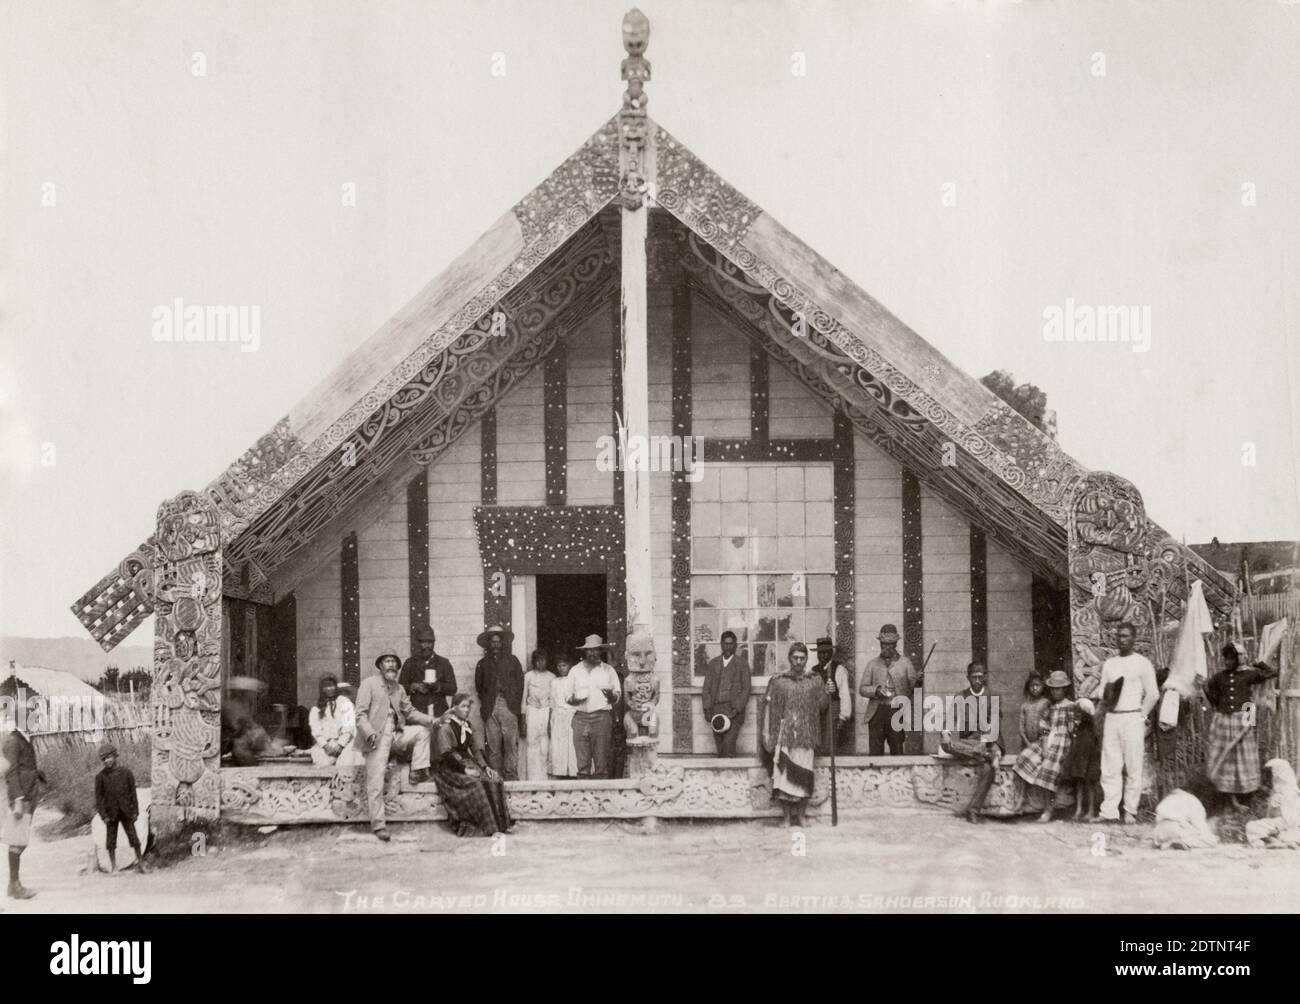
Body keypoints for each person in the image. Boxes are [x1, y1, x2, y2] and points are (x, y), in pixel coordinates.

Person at [354, 651, 435, 841]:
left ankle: (418, 770)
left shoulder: (399, 689)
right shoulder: (369, 684)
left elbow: (411, 712)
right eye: (387, 661)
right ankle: (378, 825)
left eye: (394, 662)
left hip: (396, 734)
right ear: (380, 666)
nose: (391, 665)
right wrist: (369, 733)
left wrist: (433, 720)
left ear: (397, 668)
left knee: (423, 732)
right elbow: (360, 715)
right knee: (376, 781)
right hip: (376, 738)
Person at [759, 642, 829, 827]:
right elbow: (768, 707)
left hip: (806, 735)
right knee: (783, 778)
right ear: (789, 658)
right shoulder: (779, 681)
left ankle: (801, 816)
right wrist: (768, 735)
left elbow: (823, 707)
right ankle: (787, 818)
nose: (798, 662)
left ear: (806, 659)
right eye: (795, 658)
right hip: (785, 735)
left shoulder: (815, 680)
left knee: (804, 777)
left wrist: (827, 694)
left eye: (802, 658)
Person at [1096, 622, 1159, 823]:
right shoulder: (1110, 664)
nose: (1121, 640)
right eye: (1119, 636)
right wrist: (1105, 697)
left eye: (1125, 636)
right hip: (1112, 717)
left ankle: (1130, 810)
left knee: (1133, 765)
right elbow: (1102, 691)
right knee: (1110, 765)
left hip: (1133, 717)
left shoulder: (1142, 663)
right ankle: (1109, 811)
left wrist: (1142, 716)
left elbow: (1153, 694)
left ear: (1134, 638)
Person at [1205, 642, 1278, 809]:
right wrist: (1216, 704)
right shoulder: (1219, 677)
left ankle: (1245, 795)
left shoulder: (1249, 675)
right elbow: (1206, 686)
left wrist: (1259, 663)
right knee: (1226, 760)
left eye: (1231, 659)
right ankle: (1229, 800)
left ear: (1237, 660)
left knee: (1243, 758)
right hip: (1223, 721)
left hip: (1241, 720)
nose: (1227, 662)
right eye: (1225, 659)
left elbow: (1273, 673)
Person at [431, 693, 513, 837]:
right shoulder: (446, 727)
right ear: (454, 708)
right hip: (449, 768)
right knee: (476, 784)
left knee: (494, 779)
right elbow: (446, 755)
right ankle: (485, 827)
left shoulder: (467, 725)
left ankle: (500, 824)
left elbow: (476, 749)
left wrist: (486, 767)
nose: (466, 710)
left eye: (468, 706)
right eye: (463, 706)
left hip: (466, 762)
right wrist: (465, 771)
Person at [1011, 669, 1077, 822]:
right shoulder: (1051, 707)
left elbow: (1073, 731)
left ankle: (1048, 809)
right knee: (1025, 757)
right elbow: (1045, 730)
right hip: (1048, 741)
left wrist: (1069, 751)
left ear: (1065, 689)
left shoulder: (1071, 706)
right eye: (1053, 688)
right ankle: (1024, 800)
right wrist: (1045, 746)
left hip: (1062, 743)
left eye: (1059, 688)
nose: (1055, 692)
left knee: (1048, 768)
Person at [858, 624, 922, 755]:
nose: (886, 647)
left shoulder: (905, 663)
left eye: (890, 644)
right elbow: (862, 689)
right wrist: (876, 690)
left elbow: (913, 688)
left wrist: (918, 680)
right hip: (877, 712)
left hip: (896, 711)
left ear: (896, 644)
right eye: (883, 644)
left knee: (897, 748)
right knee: (875, 751)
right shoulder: (872, 664)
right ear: (880, 644)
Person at [473, 625, 524, 781]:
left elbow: (520, 684)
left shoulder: (513, 661)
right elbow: (479, 687)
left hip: (509, 706)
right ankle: (496, 778)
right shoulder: (482, 663)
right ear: (488, 644)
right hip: (490, 707)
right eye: (492, 642)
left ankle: (511, 776)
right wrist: (489, 702)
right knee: (494, 746)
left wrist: (513, 703)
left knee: (510, 743)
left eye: (498, 641)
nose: (495, 644)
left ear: (502, 643)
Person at [0, 713, 43, 899]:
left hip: (29, 794)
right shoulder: (12, 741)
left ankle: (14, 883)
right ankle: (14, 885)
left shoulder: (25, 739)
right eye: (32, 717)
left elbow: (26, 766)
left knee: (22, 838)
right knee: (17, 839)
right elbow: (11, 772)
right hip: (21, 797)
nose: (36, 721)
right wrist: (17, 799)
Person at [568, 635, 621, 779]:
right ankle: (582, 795)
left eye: (595, 650)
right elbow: (567, 696)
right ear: (585, 652)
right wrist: (575, 699)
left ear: (600, 651)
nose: (592, 653)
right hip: (580, 718)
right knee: (582, 764)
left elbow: (616, 696)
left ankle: (601, 797)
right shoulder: (575, 670)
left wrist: (610, 696)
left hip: (602, 717)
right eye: (589, 650)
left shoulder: (608, 670)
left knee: (601, 762)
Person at [94, 742, 147, 873]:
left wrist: (135, 811)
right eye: (104, 759)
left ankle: (141, 864)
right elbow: (99, 799)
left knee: (134, 839)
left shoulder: (126, 773)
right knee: (111, 842)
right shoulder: (100, 777)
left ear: (115, 756)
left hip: (126, 811)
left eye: (109, 757)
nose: (107, 761)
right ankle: (113, 867)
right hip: (111, 814)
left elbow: (133, 794)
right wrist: (104, 815)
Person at [701, 631, 751, 756]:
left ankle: (730, 771)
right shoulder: (713, 664)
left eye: (731, 644)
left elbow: (746, 688)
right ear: (721, 645)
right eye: (725, 644)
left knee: (729, 744)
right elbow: (706, 688)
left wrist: (737, 708)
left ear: (735, 645)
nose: (728, 647)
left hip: (733, 711)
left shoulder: (742, 664)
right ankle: (724, 773)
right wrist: (707, 709)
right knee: (720, 747)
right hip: (716, 710)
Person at [399, 625, 458, 718]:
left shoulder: (443, 663)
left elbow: (453, 688)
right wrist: (414, 687)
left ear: (434, 643)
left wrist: (437, 686)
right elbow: (400, 688)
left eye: (430, 642)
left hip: (439, 710)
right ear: (418, 643)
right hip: (417, 712)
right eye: (423, 642)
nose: (427, 646)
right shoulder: (410, 663)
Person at [1060, 697, 1102, 820]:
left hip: (1089, 754)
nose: (1077, 714)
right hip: (1079, 753)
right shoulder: (1078, 726)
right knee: (1079, 781)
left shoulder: (1092, 726)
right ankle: (1079, 809)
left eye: (1080, 712)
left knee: (1089, 782)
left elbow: (1095, 739)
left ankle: (1090, 810)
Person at [307, 674, 362, 767]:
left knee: (347, 762)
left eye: (331, 685)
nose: (329, 689)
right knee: (322, 763)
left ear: (335, 687)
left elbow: (349, 727)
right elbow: (316, 730)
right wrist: (325, 746)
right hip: (326, 746)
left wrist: (340, 745)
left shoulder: (344, 702)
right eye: (326, 686)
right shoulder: (317, 708)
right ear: (321, 688)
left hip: (344, 744)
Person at [810, 636, 852, 755]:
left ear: (831, 652)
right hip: (817, 709)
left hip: (833, 710)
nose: (823, 655)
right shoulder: (813, 671)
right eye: (820, 652)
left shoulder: (839, 669)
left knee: (830, 745)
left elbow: (844, 695)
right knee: (817, 743)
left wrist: (843, 717)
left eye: (826, 652)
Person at [521, 650, 553, 780]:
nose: (541, 663)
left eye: (543, 660)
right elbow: (524, 698)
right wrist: (523, 719)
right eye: (538, 660)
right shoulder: (528, 676)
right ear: (534, 662)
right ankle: (532, 778)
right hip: (532, 712)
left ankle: (545, 778)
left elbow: (552, 701)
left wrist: (551, 720)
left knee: (545, 744)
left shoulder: (552, 677)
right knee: (531, 744)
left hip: (546, 712)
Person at [549, 656, 579, 778]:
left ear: (569, 666)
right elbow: (552, 702)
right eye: (559, 666)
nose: (561, 668)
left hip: (571, 714)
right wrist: (549, 721)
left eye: (564, 665)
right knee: (558, 745)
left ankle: (573, 772)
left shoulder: (574, 680)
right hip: (558, 715)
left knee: (571, 745)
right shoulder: (554, 682)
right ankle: (560, 772)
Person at [1018, 672, 1048, 751]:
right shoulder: (1025, 706)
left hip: (1043, 746)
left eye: (1037, 685)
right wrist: (1028, 744)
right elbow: (1021, 730)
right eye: (1032, 685)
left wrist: (1039, 744)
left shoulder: (1046, 703)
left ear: (1042, 686)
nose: (1034, 688)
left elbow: (1046, 728)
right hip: (1027, 745)